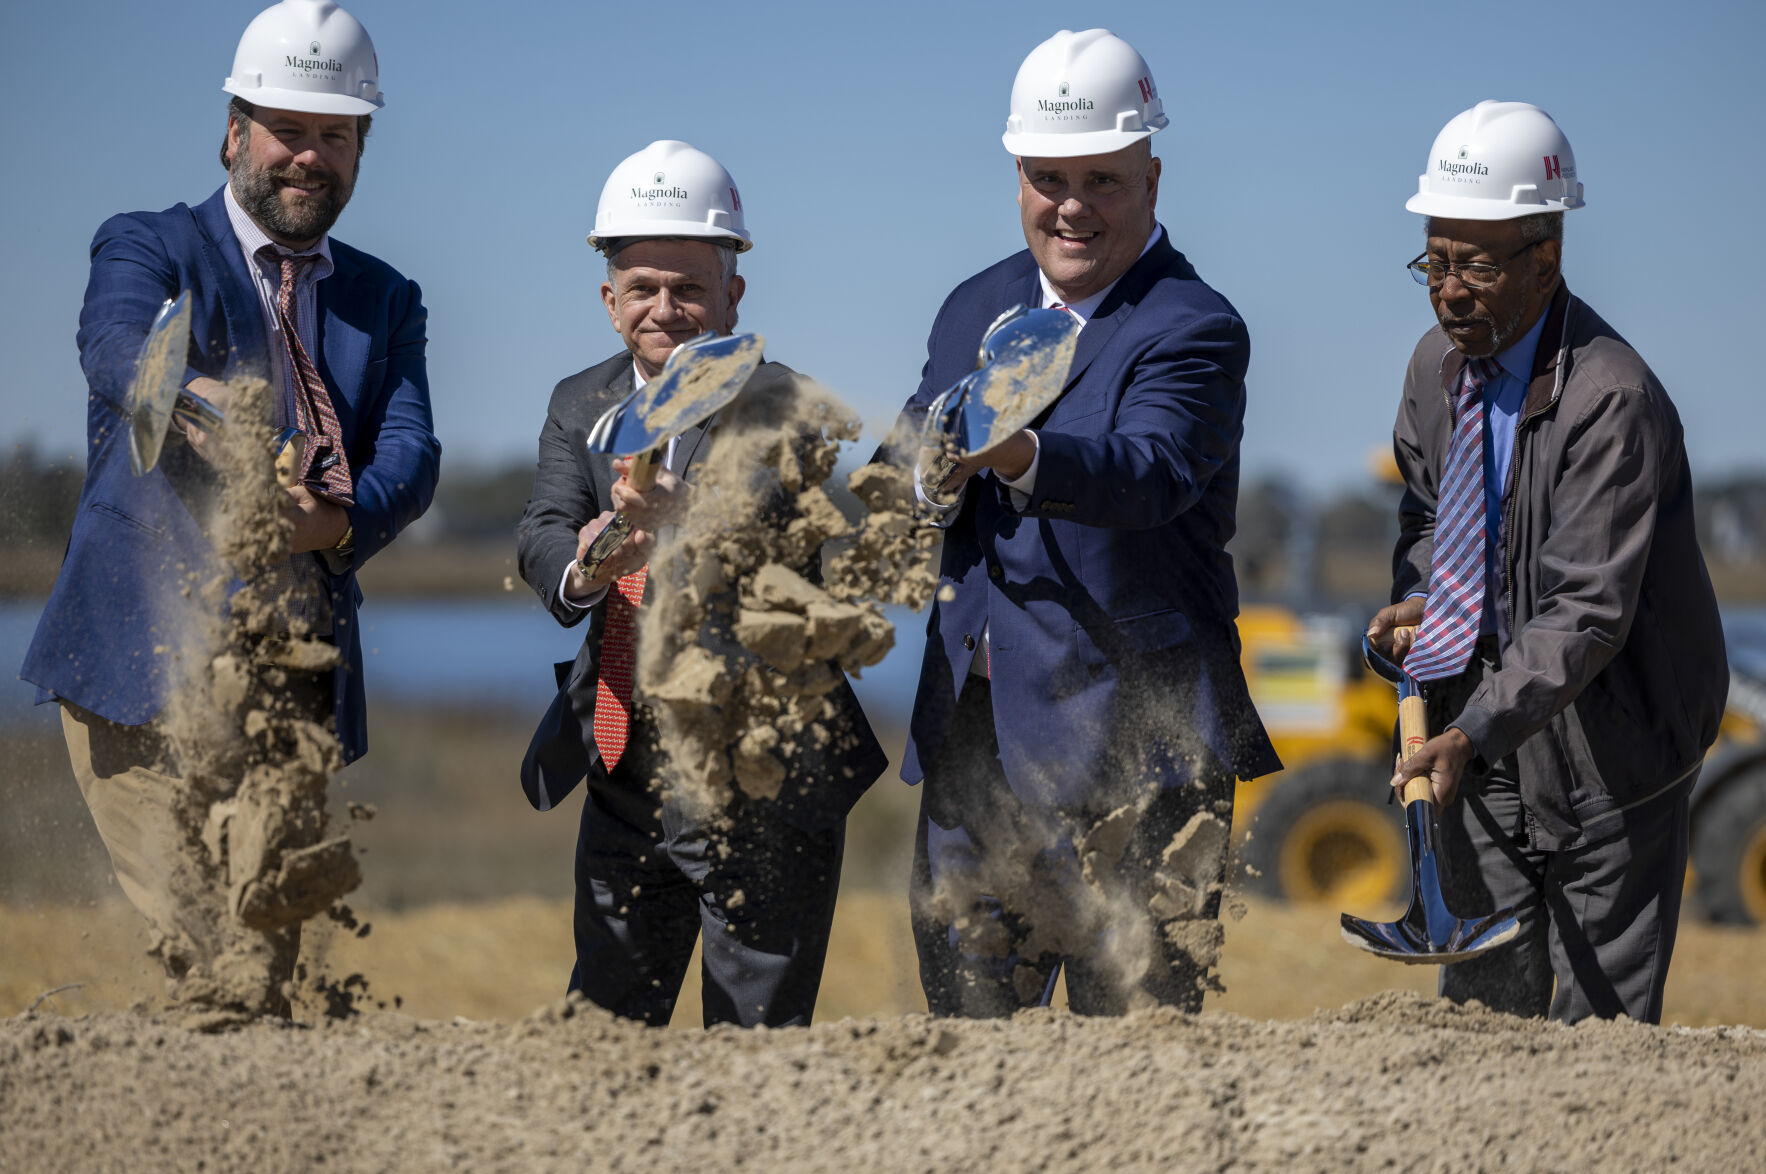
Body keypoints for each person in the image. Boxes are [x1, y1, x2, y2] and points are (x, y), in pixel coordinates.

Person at [18, 0, 440, 1012]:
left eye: (333, 136)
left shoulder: (385, 298)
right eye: (287, 130)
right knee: (209, 955)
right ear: (234, 131)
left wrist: (332, 523)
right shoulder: (150, 246)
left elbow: (412, 456)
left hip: (293, 686)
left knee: (273, 960)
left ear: (359, 148)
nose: (308, 157)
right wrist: (205, 400)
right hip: (139, 668)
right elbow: (118, 348)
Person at [896, 29, 1279, 1018]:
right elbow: (920, 449)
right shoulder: (970, 305)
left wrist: (1015, 454)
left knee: (1137, 1057)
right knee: (969, 1034)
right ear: (1015, 171)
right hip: (976, 741)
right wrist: (900, 481)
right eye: (1047, 176)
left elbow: (1150, 472)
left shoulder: (1191, 324)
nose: (1070, 206)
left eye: (1101, 180)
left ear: (1152, 175)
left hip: (1136, 747)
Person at [1366, 101, 1728, 1024]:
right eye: (1436, 262)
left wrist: (1474, 729)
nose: (1450, 291)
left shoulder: (1612, 398)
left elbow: (1585, 613)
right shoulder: (1432, 370)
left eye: (1478, 265)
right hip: (1479, 740)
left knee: (1595, 1034)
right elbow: (1423, 513)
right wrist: (1419, 598)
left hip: (1613, 757)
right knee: (1479, 1020)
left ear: (1546, 256)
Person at [515, 140, 887, 1028]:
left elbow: (776, 536)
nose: (666, 309)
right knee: (605, 1031)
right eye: (642, 286)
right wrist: (587, 559)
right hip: (620, 763)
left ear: (734, 296)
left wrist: (686, 521)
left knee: (756, 1045)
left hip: (762, 778)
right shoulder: (579, 401)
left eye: (689, 287)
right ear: (610, 302)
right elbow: (542, 532)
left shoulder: (785, 403)